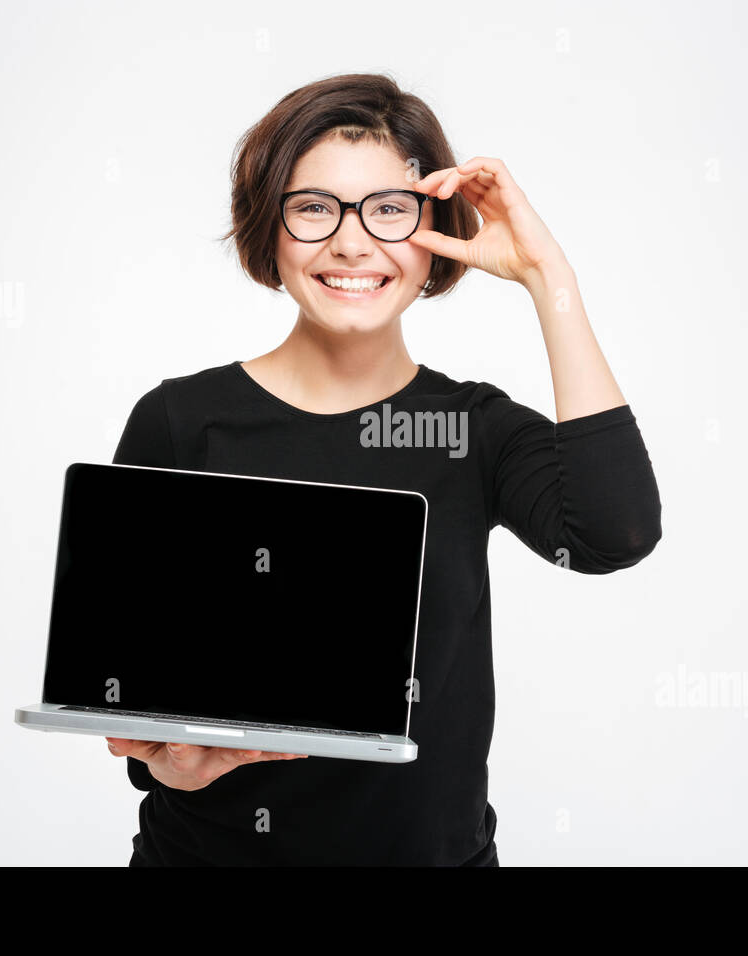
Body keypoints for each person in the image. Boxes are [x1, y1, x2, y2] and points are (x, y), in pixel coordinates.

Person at [105, 72, 662, 866]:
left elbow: (616, 532)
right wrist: (173, 765)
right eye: (312, 208)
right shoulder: (179, 423)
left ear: (434, 230)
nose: (352, 243)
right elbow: (131, 703)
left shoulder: (472, 429)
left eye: (390, 209)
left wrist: (549, 278)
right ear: (269, 228)